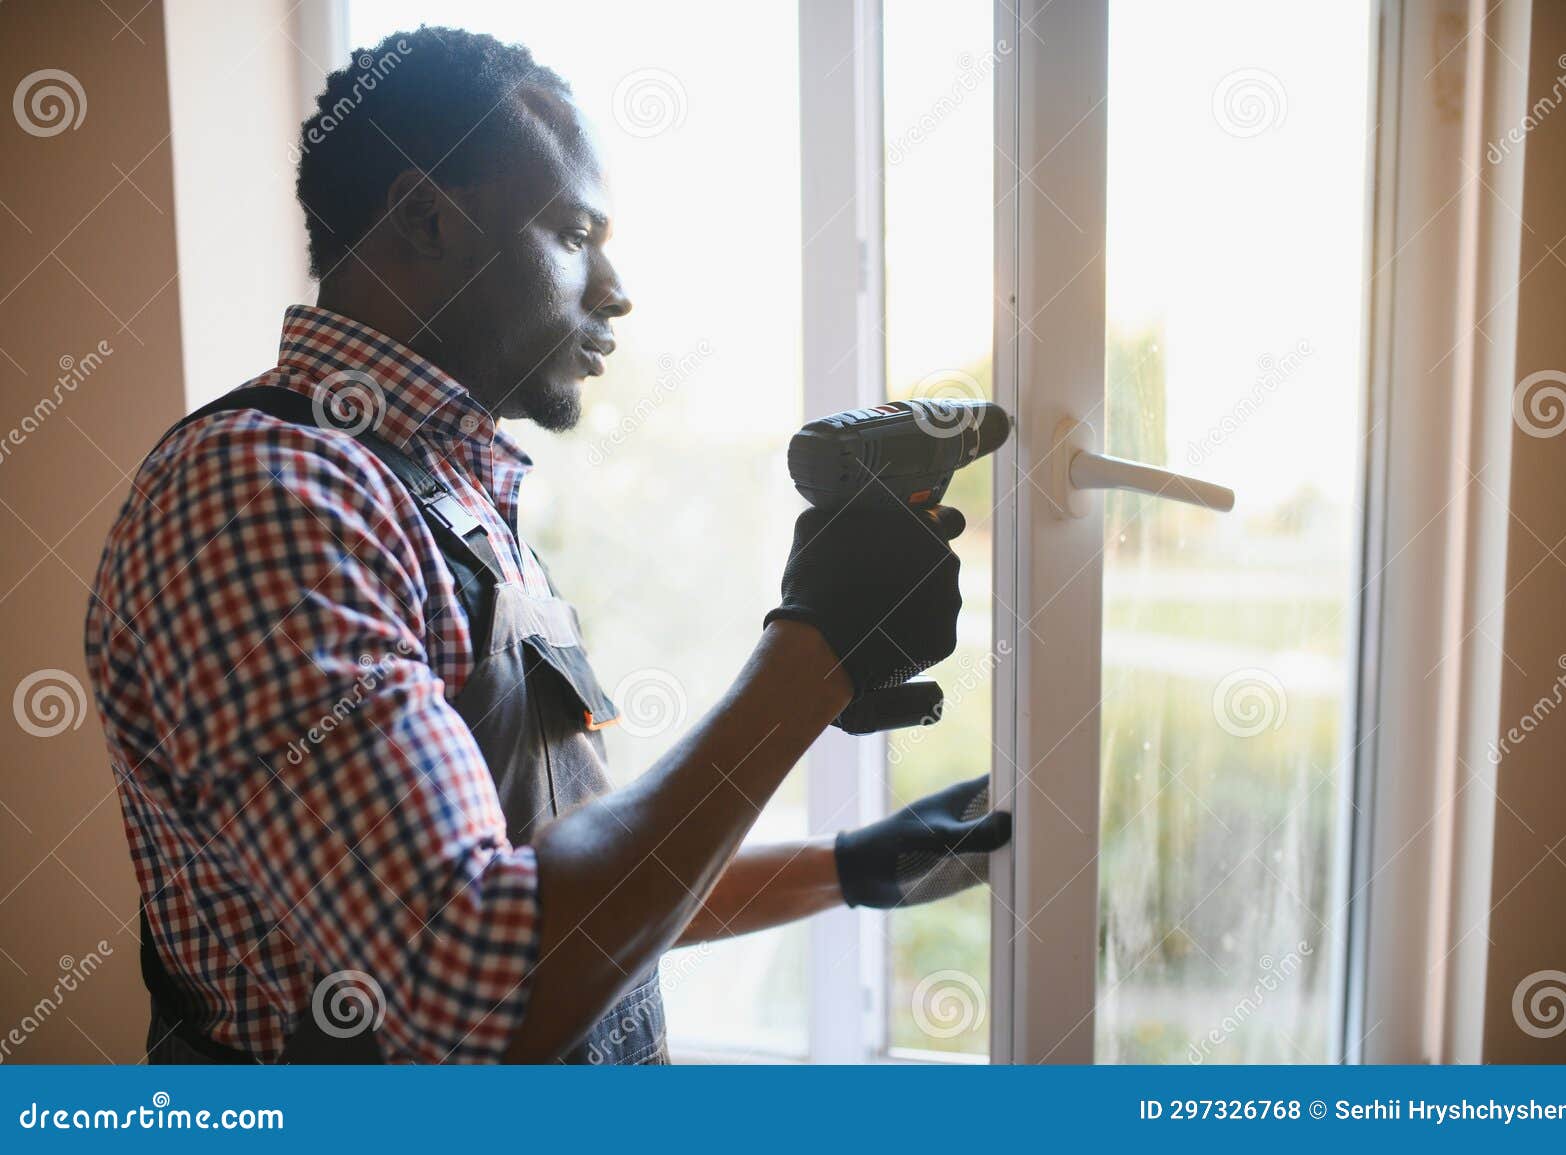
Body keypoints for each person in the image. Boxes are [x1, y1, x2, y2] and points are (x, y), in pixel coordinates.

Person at [83, 26, 1009, 1065]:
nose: (613, 288)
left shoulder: (453, 501)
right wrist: (814, 650)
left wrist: (857, 864)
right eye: (574, 233)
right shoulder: (264, 494)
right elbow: (477, 991)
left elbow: (581, 900)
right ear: (426, 218)